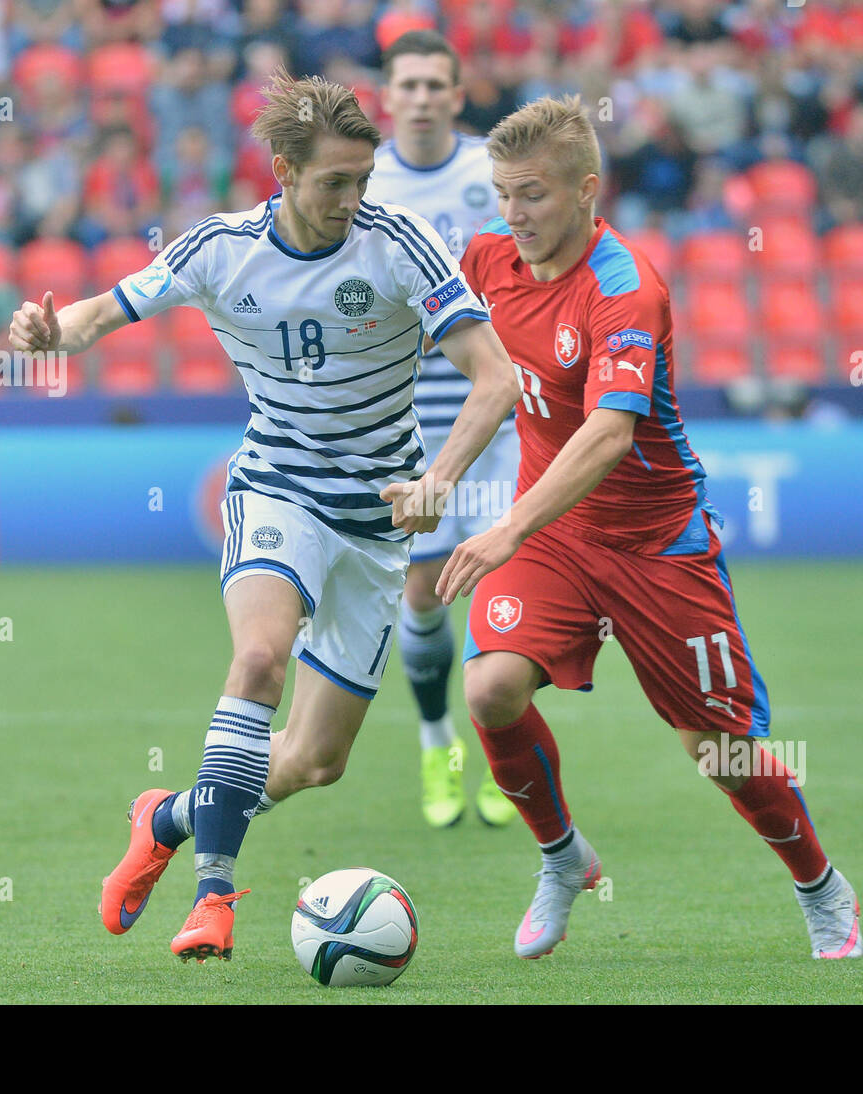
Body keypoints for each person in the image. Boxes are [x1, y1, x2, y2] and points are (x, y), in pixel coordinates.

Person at [9, 71, 519, 963]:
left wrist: (439, 479)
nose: (352, 200)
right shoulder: (221, 249)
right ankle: (213, 895)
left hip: (377, 520)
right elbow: (105, 310)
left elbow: (497, 378)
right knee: (258, 657)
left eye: (363, 180)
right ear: (283, 171)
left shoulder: (399, 244)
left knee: (317, 760)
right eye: (334, 182)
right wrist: (56, 334)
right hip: (277, 487)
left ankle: (166, 817)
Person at [435, 95, 863, 961]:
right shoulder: (487, 259)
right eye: (503, 194)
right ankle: (562, 858)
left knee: (719, 751)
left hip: (657, 542)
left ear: (587, 189)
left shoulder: (626, 289)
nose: (514, 214)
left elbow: (609, 435)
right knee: (489, 690)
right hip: (556, 535)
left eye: (533, 195)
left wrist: (505, 527)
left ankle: (821, 886)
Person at [365, 29, 518, 829]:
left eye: (436, 85)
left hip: (494, 416)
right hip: (406, 422)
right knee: (423, 595)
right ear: (386, 96)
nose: (422, 97)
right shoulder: (364, 179)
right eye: (409, 84)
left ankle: (500, 756)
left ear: (458, 96)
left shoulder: (493, 172)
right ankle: (437, 743)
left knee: (501, 590)